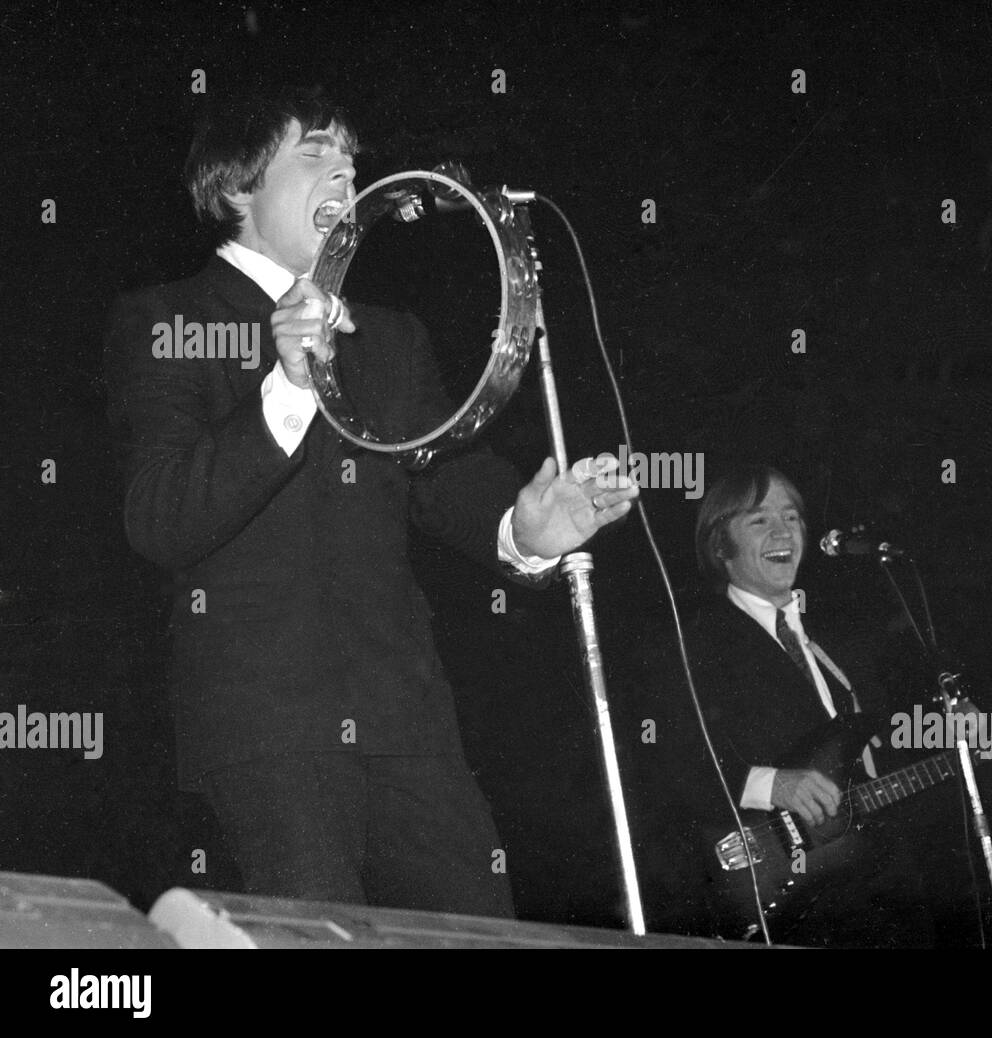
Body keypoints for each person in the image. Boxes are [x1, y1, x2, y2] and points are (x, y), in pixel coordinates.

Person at [103, 87, 637, 918]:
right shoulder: (168, 319)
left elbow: (445, 480)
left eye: (352, 158)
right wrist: (287, 384)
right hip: (267, 732)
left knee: (479, 934)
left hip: (410, 721)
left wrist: (528, 527)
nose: (346, 169)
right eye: (315, 150)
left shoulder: (390, 336)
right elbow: (161, 517)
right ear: (238, 188)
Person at [624, 465, 992, 946]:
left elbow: (905, 775)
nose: (784, 531)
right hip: (774, 899)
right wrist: (770, 785)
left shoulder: (848, 644)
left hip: (886, 902)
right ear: (720, 545)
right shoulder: (688, 644)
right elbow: (659, 764)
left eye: (792, 517)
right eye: (759, 520)